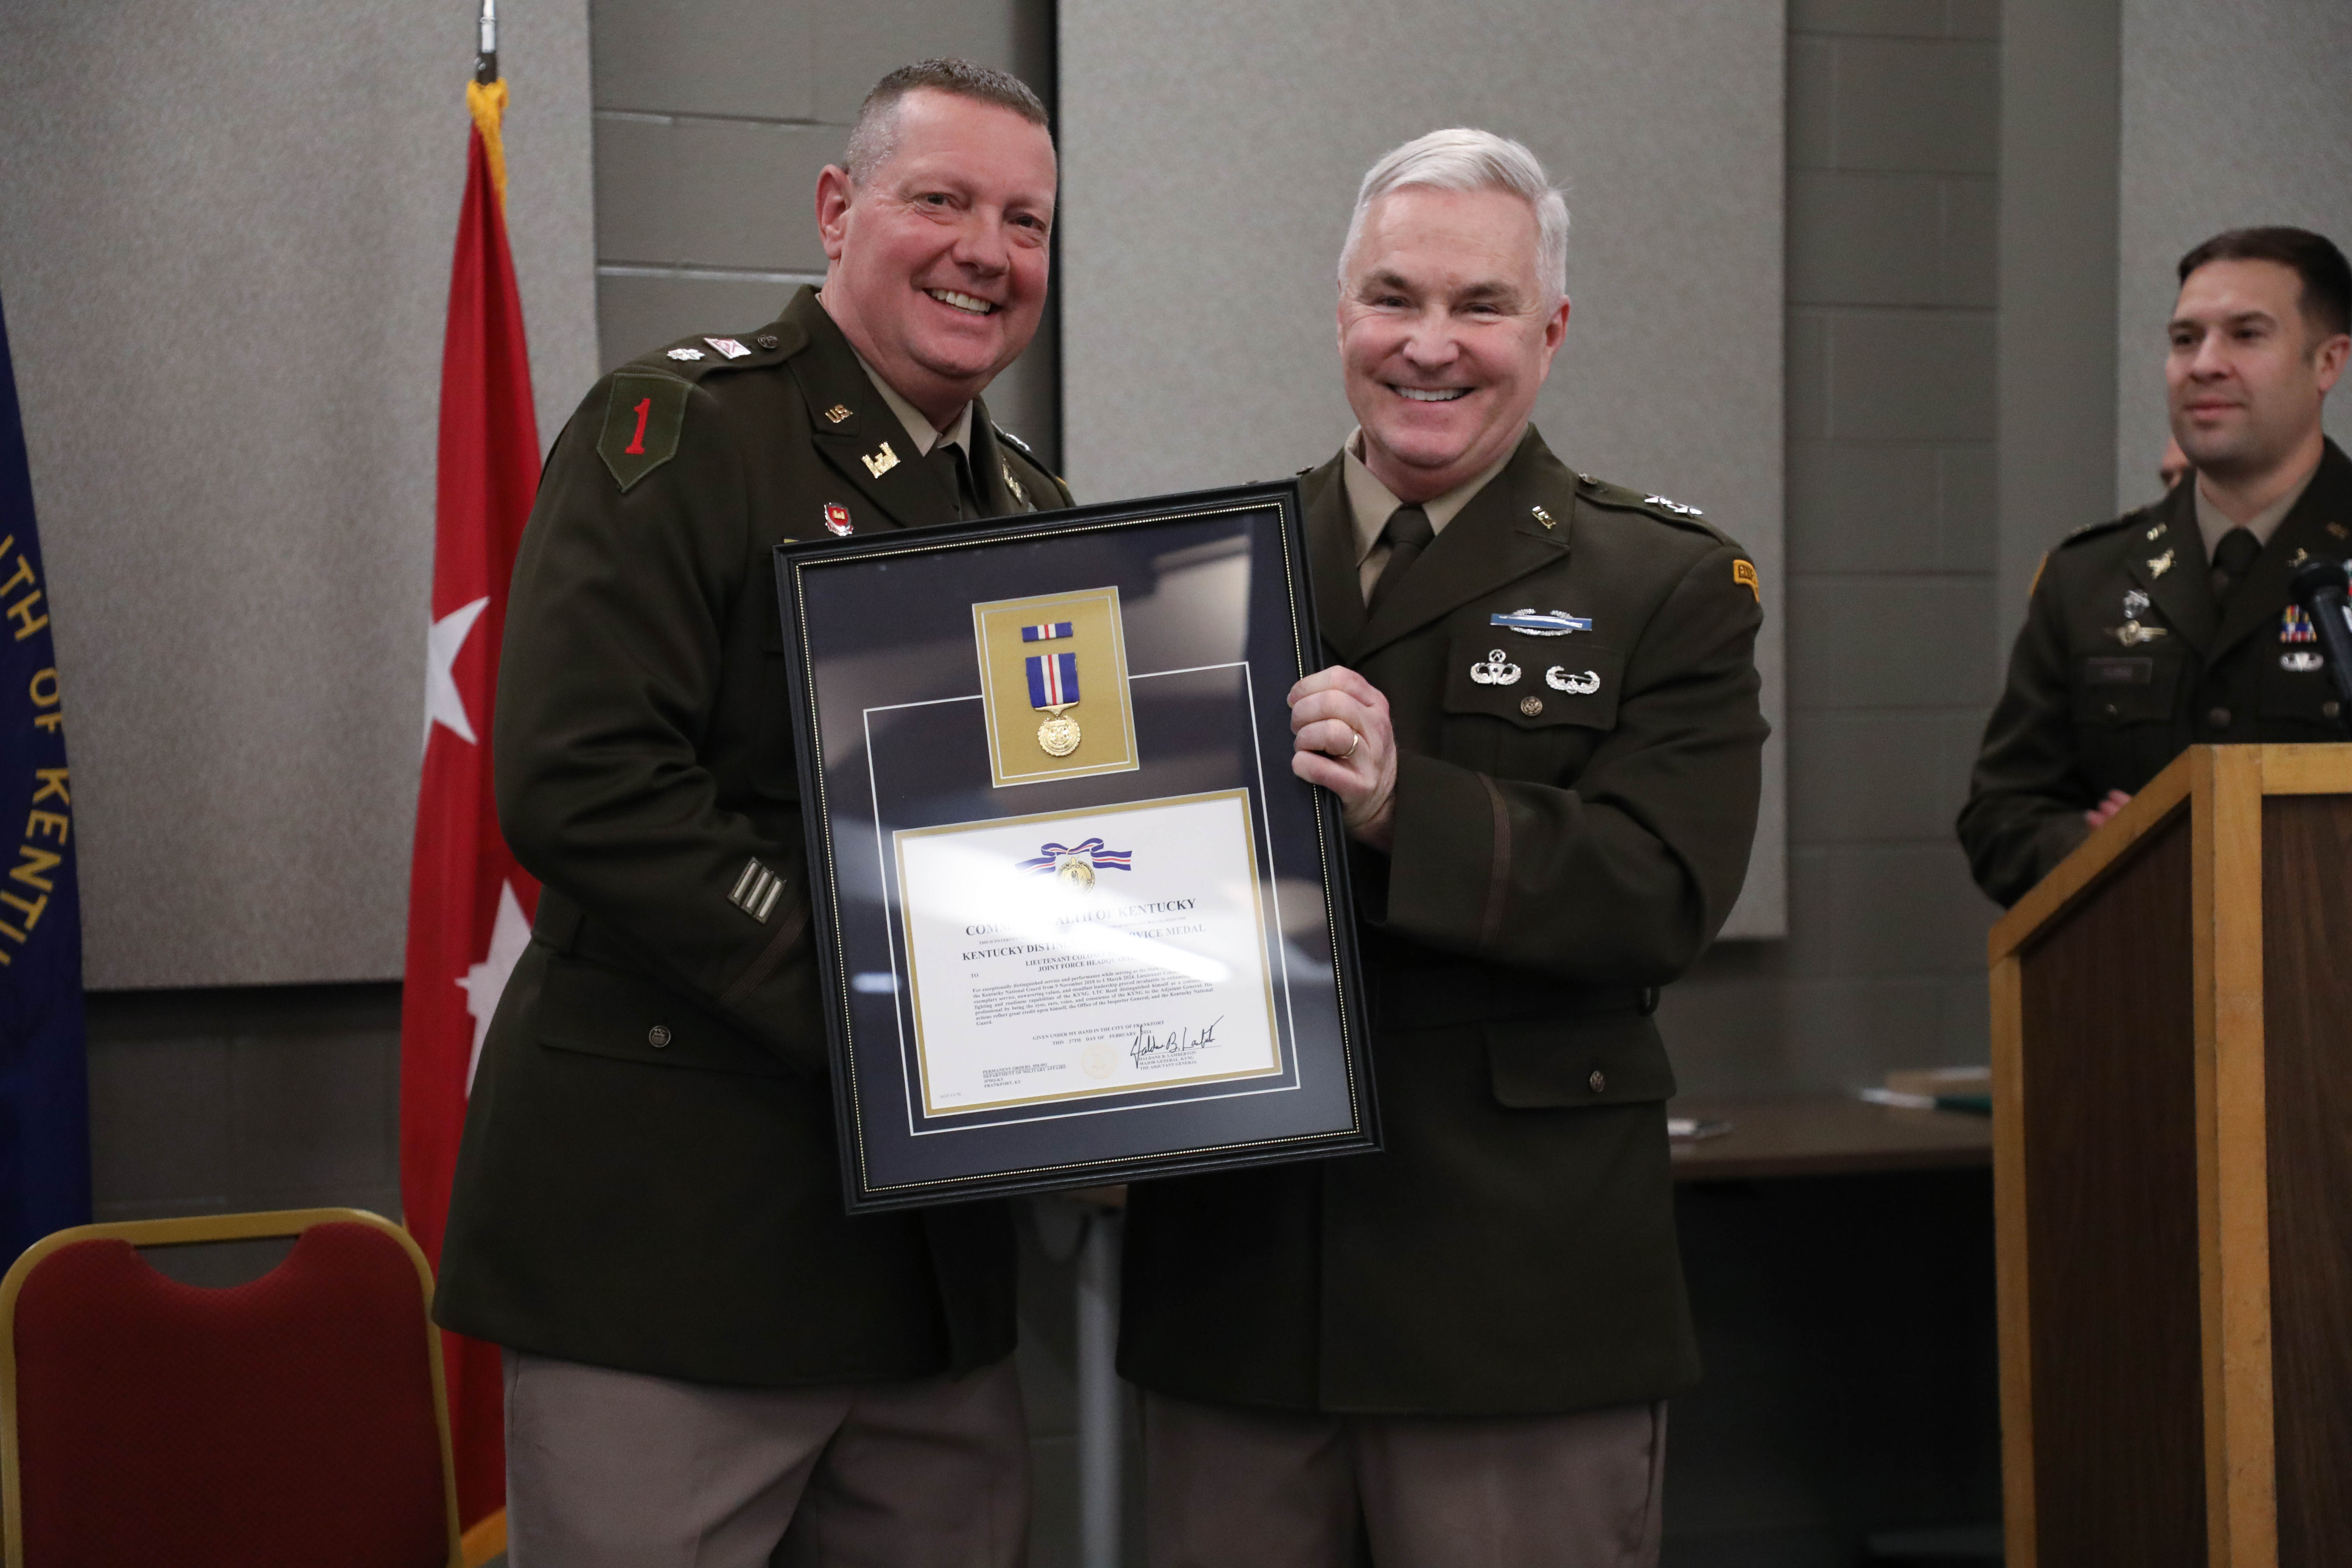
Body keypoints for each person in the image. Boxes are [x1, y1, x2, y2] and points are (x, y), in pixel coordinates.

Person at [434, 59, 1071, 1568]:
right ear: (839, 212)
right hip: (676, 1258)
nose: (988, 249)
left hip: (927, 1283)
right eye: (943, 201)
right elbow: (582, 780)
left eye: (1027, 222)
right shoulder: (686, 428)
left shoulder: (1037, 517)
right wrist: (880, 1001)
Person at [1117, 129, 1768, 1568]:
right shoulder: (1188, 572)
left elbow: (1659, 895)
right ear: (1339, 314)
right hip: (1242, 1286)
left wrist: (1416, 810)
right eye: (1393, 298)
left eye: (1479, 306)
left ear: (1552, 329)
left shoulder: (1668, 584)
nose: (1430, 345)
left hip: (1512, 1305)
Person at [1959, 227, 2352, 907]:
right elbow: (2002, 815)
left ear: (2327, 363)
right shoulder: (2090, 577)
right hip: (2139, 980)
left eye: (2246, 335)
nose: (2205, 363)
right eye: (2184, 339)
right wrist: (2109, 848)